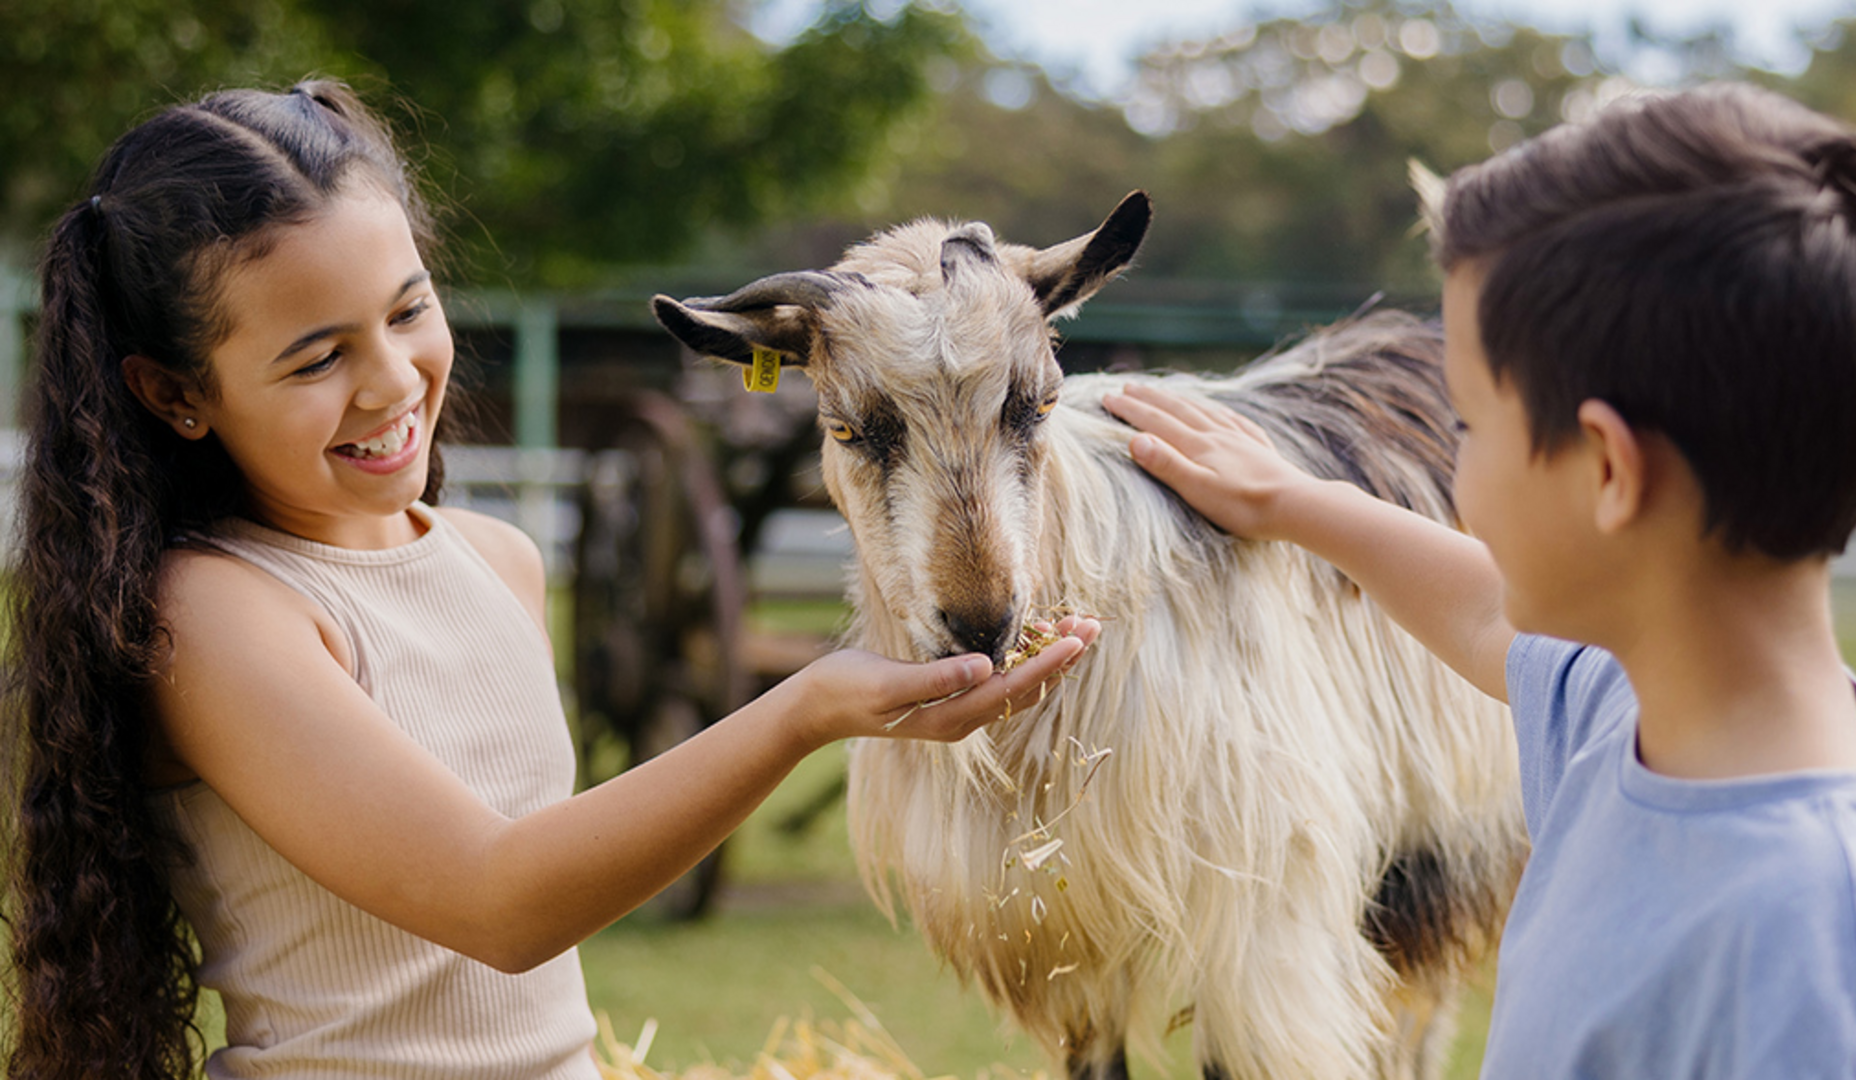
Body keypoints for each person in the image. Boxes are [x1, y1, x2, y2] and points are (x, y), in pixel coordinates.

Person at [2, 80, 1095, 1080]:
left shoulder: (498, 562)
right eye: (316, 357)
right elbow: (499, 902)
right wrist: (803, 712)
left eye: (407, 310)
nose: (392, 381)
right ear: (175, 394)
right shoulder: (213, 614)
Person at [1103, 82, 1856, 1076]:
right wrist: (1287, 502)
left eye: (1467, 426)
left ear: (1607, 471)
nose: (1451, 473)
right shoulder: (1624, 705)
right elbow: (1484, 609)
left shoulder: (1834, 968)